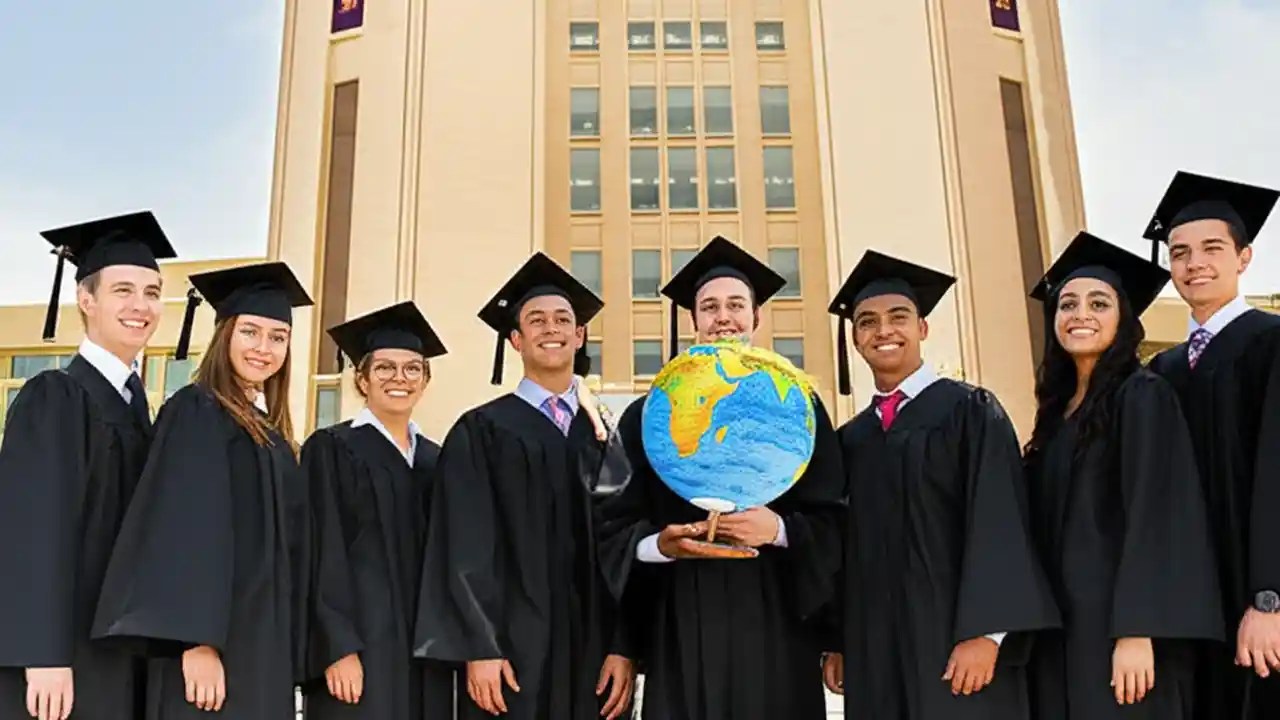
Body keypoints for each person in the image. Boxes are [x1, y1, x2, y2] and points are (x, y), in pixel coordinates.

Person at [596, 236, 846, 720]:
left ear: (757, 318)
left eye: (736, 305)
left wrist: (778, 530)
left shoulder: (799, 410)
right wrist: (657, 546)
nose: (723, 317)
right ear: (694, 321)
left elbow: (837, 517)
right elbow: (610, 525)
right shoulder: (648, 415)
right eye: (709, 307)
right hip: (680, 620)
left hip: (775, 616)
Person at [821, 250, 1059, 720]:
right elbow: (841, 548)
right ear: (855, 338)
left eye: (898, 317)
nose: (883, 330)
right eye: (867, 321)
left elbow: (1001, 520)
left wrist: (987, 633)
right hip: (877, 653)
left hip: (957, 645)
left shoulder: (969, 411)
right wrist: (839, 639)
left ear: (923, 328)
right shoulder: (852, 440)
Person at [414, 252, 636, 720]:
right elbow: (463, 547)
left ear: (579, 335)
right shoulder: (480, 431)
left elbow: (622, 546)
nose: (550, 328)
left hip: (594, 654)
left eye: (562, 319)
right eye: (536, 320)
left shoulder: (605, 434)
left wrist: (623, 646)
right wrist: (480, 647)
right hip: (509, 654)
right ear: (515, 339)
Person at [91, 261, 313, 719]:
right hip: (209, 647)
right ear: (224, 335)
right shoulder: (196, 411)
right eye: (250, 331)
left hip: (259, 647)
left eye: (278, 337)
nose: (263, 348)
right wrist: (197, 642)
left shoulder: (270, 431)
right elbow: (182, 530)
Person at [1023, 231, 1223, 719]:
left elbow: (1159, 513)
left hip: (1124, 631)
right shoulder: (1056, 415)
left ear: (1124, 318)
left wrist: (1137, 629)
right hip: (1065, 630)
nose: (1080, 315)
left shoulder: (1142, 396)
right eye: (1066, 305)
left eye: (1098, 303)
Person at [0, 213, 177, 720]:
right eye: (124, 290)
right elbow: (29, 531)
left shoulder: (139, 410)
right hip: (65, 656)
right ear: (86, 299)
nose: (141, 306)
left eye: (151, 292)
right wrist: (43, 654)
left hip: (119, 651)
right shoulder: (55, 397)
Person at [1142, 171, 1280, 719]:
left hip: (1254, 597)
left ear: (1243, 258)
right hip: (1187, 605)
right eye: (1180, 252)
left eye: (1211, 248)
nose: (1194, 262)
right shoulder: (1163, 370)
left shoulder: (1271, 343)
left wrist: (1269, 598)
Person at [301, 301, 455, 719]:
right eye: (385, 367)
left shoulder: (437, 460)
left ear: (425, 380)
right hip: (361, 651)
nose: (399, 378)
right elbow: (320, 549)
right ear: (362, 378)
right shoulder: (331, 448)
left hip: (427, 656)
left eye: (412, 368)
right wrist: (337, 647)